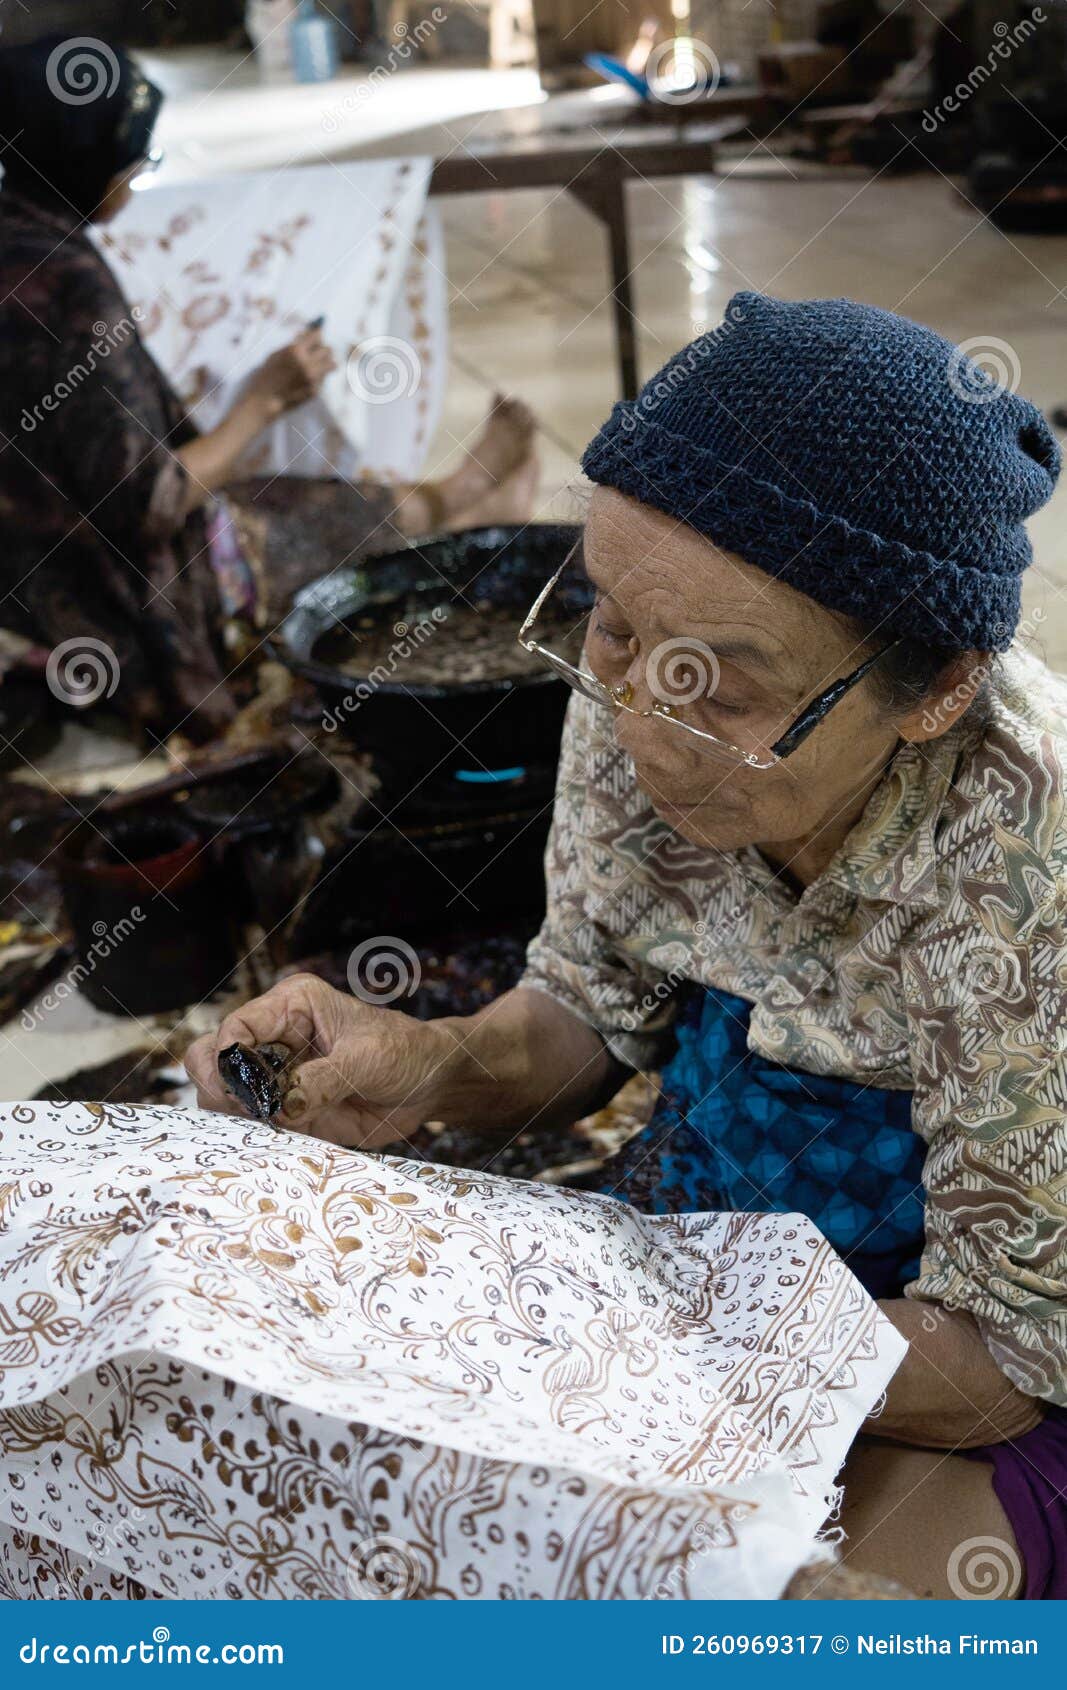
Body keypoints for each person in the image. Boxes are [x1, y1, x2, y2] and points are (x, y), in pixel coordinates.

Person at [188, 291, 1067, 1599]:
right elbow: (587, 1013)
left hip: (954, 1358)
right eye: (609, 626)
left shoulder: (1024, 873)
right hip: (714, 1270)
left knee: (773, 1622)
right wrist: (430, 1060)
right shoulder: (648, 660)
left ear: (932, 689)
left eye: (720, 687)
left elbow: (997, 1357)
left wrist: (638, 1344)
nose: (645, 725)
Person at [0, 36, 537, 743]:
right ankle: (459, 504)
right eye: (134, 159)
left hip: (23, 577)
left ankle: (454, 498)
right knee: (290, 521)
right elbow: (148, 505)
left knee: (274, 493)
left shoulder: (20, 234)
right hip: (90, 616)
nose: (134, 180)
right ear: (83, 156)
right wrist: (265, 399)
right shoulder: (68, 291)